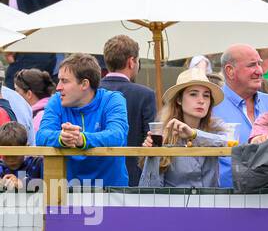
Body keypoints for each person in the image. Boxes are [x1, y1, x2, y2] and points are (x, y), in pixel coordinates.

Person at [35, 54, 129, 187]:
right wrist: (62, 138)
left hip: (111, 191)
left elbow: (117, 135)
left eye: (64, 81)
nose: (58, 87)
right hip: (68, 192)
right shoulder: (56, 100)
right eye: (59, 80)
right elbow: (41, 136)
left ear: (84, 84)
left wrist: (82, 139)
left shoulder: (113, 99)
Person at [139, 67, 230, 188]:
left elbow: (231, 144)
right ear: (179, 100)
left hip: (210, 205)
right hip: (174, 206)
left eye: (206, 95)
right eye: (193, 94)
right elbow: (148, 190)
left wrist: (194, 134)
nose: (201, 100)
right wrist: (152, 155)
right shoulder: (162, 135)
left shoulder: (217, 128)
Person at [211, 43, 268, 187]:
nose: (259, 71)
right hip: (226, 199)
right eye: (252, 65)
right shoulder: (210, 106)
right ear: (230, 71)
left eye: (259, 64)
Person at [99, 36, 158, 188]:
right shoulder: (146, 94)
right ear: (132, 62)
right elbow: (151, 138)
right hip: (133, 178)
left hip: (94, 176)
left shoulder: (91, 91)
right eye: (138, 61)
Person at [6, 0, 61, 87]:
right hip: (51, 53)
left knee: (14, 90)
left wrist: (9, 51)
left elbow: (13, 22)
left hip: (26, 52)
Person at [0, 123, 40, 191]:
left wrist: (22, 184)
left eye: (15, 154)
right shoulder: (1, 167)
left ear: (26, 148)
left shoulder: (37, 164)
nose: (11, 159)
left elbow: (48, 185)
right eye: (6, 155)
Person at [12, 69, 53, 134]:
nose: (14, 95)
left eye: (17, 91)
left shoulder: (39, 118)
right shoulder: (53, 109)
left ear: (29, 94)